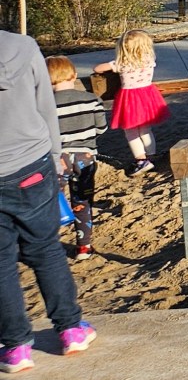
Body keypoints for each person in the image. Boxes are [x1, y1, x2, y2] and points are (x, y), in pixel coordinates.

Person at [0, 30, 94, 374]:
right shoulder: (23, 47)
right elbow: (45, 106)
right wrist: (55, 154)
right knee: (46, 248)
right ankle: (70, 329)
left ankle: (15, 347)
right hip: (31, 163)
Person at [46, 56, 105, 259]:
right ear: (74, 75)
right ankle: (84, 246)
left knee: (55, 200)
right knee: (82, 200)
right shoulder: (91, 100)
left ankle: (50, 244)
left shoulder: (46, 105)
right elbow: (101, 128)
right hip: (85, 156)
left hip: (57, 159)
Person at [102, 29, 166, 174]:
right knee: (145, 129)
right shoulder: (149, 60)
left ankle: (141, 160)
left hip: (130, 99)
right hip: (147, 96)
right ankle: (151, 155)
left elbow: (98, 68)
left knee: (131, 131)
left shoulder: (122, 63)